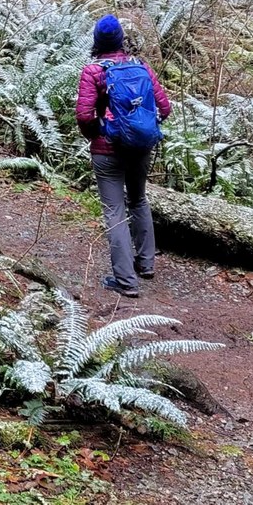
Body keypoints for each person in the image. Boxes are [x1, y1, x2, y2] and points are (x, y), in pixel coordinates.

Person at [75, 15, 171, 298]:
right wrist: (141, 129)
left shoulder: (94, 71)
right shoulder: (140, 66)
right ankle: (146, 264)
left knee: (114, 210)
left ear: (97, 41)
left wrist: (98, 132)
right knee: (139, 199)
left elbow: (83, 115)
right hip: (141, 148)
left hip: (107, 151)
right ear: (121, 40)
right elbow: (164, 108)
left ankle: (126, 281)